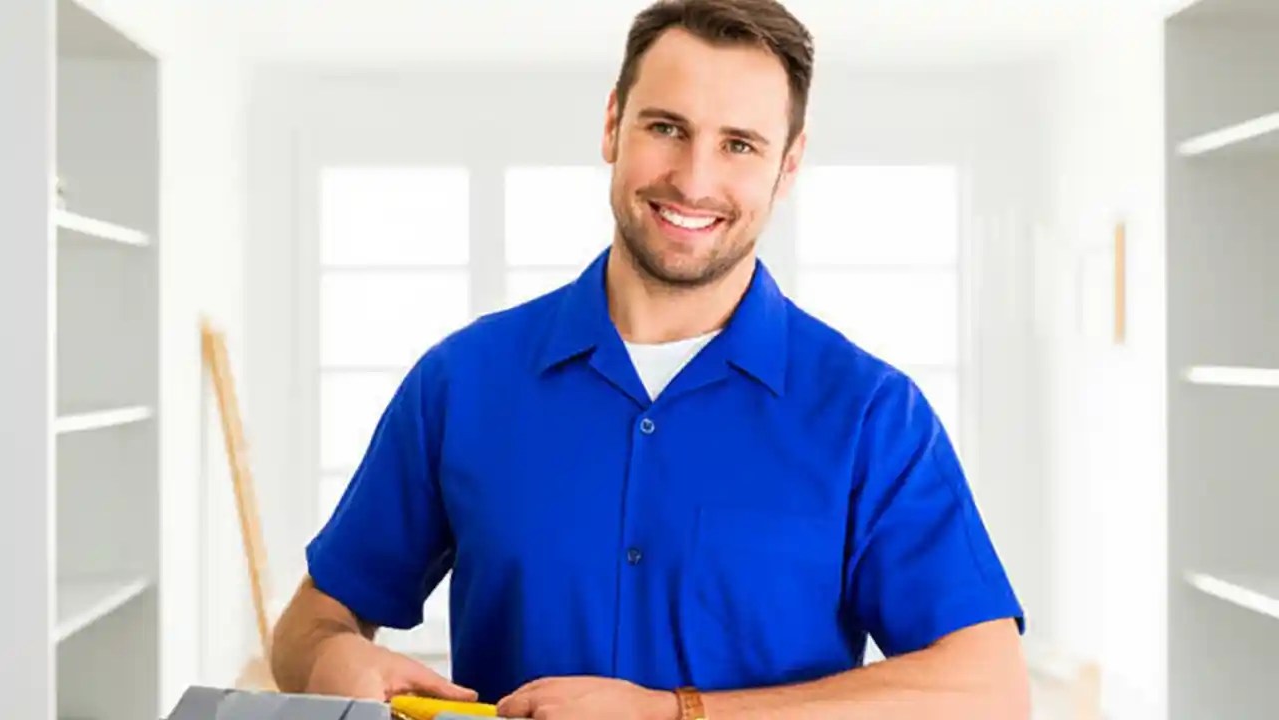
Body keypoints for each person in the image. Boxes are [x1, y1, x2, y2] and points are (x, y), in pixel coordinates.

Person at [271, 0, 1030, 717]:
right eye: (667, 128)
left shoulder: (870, 415)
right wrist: (332, 662)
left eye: (739, 144)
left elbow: (987, 692)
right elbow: (310, 626)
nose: (694, 179)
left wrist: (679, 712)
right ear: (613, 124)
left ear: (789, 164)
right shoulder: (461, 382)